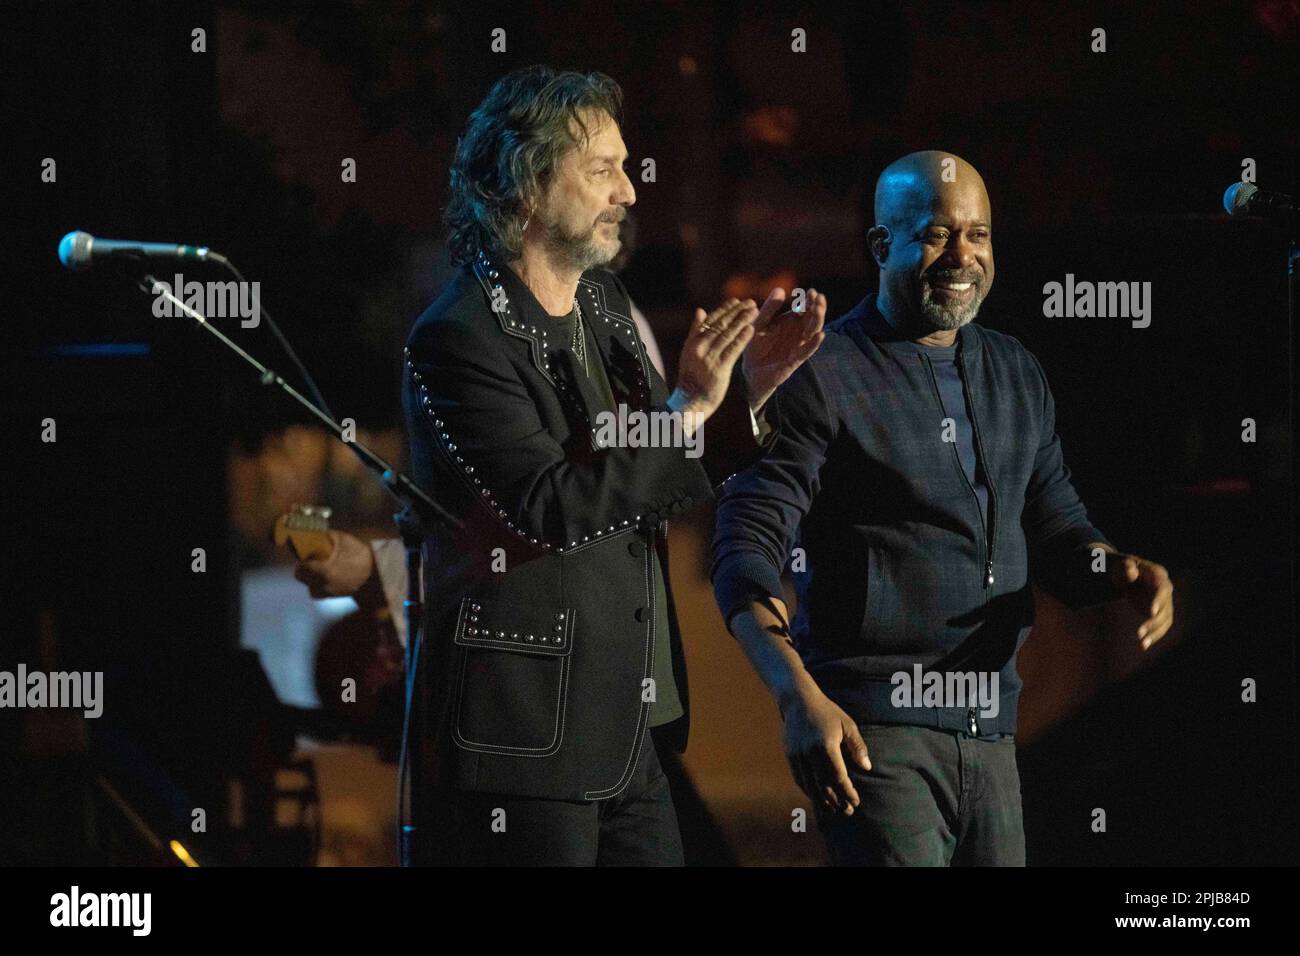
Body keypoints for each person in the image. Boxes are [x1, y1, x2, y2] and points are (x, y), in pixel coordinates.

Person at [397, 65, 822, 865]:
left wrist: (743, 398)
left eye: (626, 167)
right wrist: (689, 409)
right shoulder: (455, 339)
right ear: (524, 187)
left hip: (633, 720)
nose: (629, 191)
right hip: (527, 738)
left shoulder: (603, 309)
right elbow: (547, 508)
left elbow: (650, 475)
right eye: (602, 170)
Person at [711, 150, 1173, 866]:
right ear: (880, 245)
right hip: (874, 740)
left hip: (991, 736)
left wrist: (1118, 569)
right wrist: (795, 693)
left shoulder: (1014, 370)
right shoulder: (824, 373)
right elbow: (745, 547)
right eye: (934, 234)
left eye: (978, 234)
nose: (962, 255)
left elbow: (1057, 527)